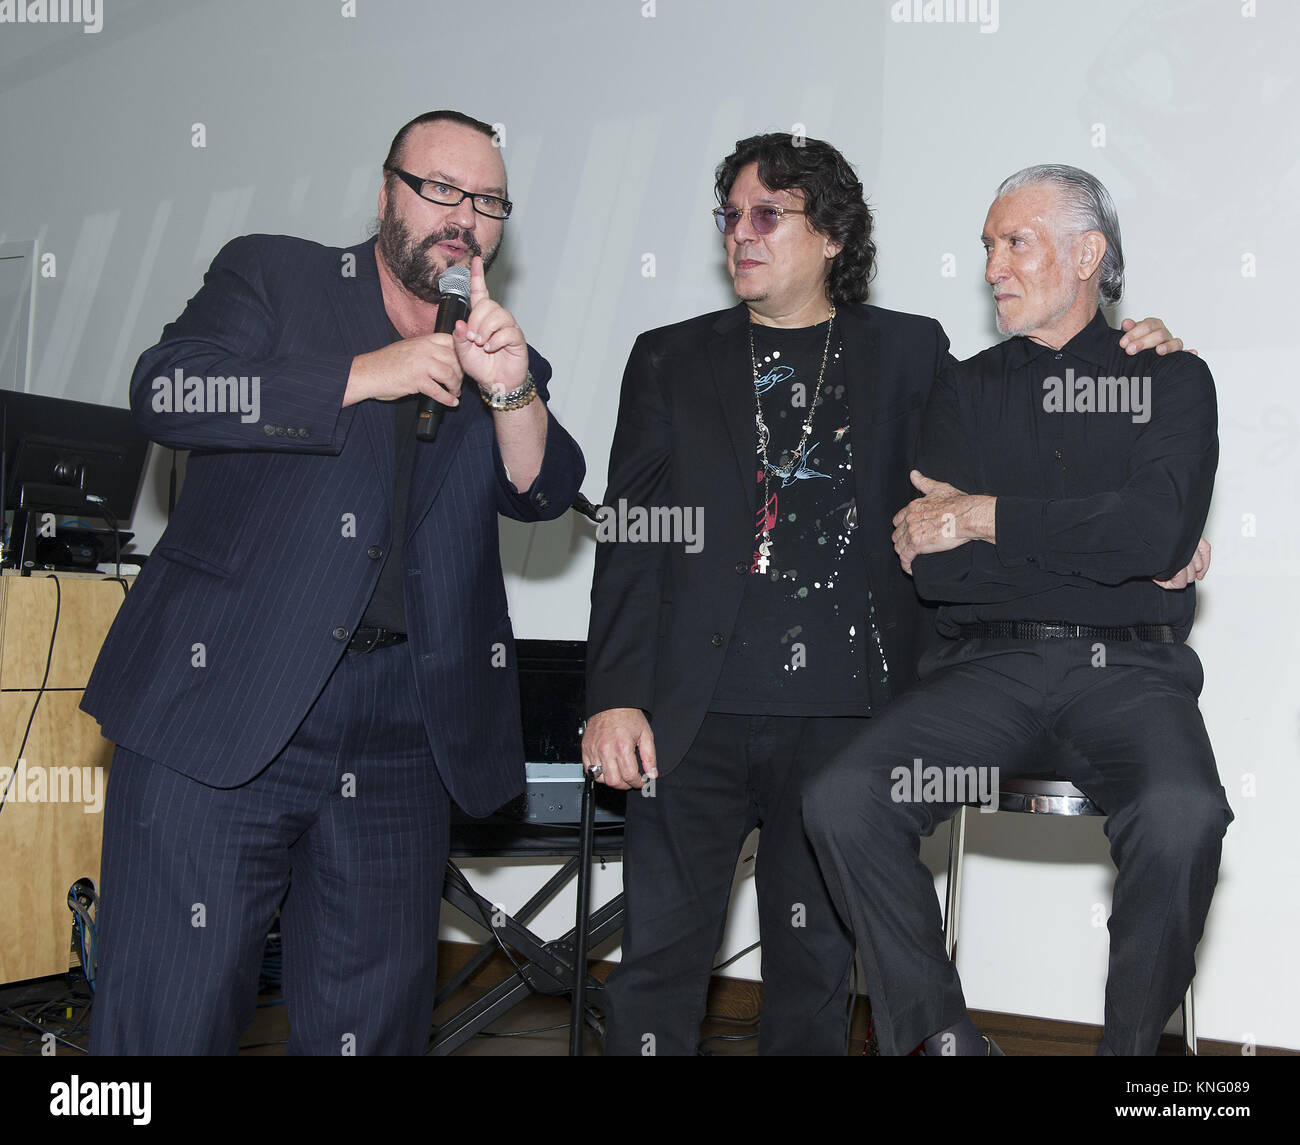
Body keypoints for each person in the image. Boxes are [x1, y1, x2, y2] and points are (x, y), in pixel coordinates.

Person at [581, 133, 1183, 1055]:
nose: (742, 233)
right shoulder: (667, 356)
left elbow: (1018, 444)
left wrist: (1136, 355)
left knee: (814, 975)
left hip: (846, 716)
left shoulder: (909, 351)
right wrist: (613, 694)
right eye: (730, 214)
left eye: (767, 213)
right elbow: (629, 539)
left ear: (830, 234)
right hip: (687, 714)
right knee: (656, 967)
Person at [82, 109, 585, 1055]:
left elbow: (547, 487)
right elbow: (169, 392)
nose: (462, 216)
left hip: (402, 731)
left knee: (372, 1027)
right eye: (440, 189)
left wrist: (513, 386)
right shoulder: (275, 274)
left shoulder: (490, 342)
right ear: (387, 191)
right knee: (166, 1020)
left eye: (488, 202)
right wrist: (365, 373)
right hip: (223, 701)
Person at [803, 163, 1229, 1056]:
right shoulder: (961, 389)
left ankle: (1131, 1067)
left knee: (1184, 813)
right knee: (844, 797)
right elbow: (941, 578)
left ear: (1087, 254)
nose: (994, 265)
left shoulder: (1173, 379)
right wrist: (1110, 552)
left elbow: (1152, 534)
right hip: (982, 674)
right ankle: (945, 1038)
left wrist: (985, 516)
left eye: (1016, 242)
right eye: (988, 246)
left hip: (1130, 674)